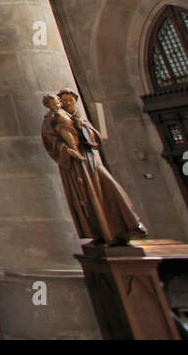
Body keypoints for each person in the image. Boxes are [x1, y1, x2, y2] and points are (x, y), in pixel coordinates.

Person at [41, 91, 146, 245]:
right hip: (73, 163)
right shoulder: (52, 119)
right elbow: (49, 140)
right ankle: (100, 232)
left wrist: (80, 127)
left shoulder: (78, 118)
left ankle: (130, 224)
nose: (67, 103)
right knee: (85, 197)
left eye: (70, 100)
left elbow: (95, 138)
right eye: (64, 100)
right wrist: (66, 150)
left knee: (109, 186)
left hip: (88, 158)